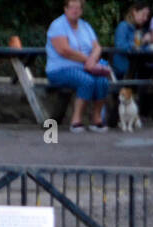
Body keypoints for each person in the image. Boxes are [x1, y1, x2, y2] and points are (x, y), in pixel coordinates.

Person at [46, 0, 112, 134]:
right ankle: (76, 120)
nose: (75, 11)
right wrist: (88, 59)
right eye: (71, 7)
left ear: (81, 10)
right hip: (60, 69)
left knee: (102, 81)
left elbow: (97, 47)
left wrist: (93, 58)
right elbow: (64, 50)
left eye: (78, 8)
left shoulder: (85, 26)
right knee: (86, 81)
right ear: (65, 9)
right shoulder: (57, 25)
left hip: (86, 67)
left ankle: (97, 119)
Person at [112, 3, 151, 78]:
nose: (145, 18)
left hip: (138, 68)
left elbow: (144, 50)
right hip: (124, 69)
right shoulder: (123, 26)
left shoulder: (141, 30)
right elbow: (120, 47)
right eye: (143, 14)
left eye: (147, 16)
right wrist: (141, 41)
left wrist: (150, 44)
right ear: (134, 12)